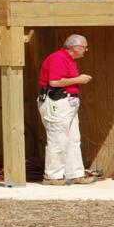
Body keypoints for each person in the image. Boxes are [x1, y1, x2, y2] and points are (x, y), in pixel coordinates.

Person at [38, 34, 94, 186]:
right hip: (57, 102)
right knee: (58, 139)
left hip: (68, 103)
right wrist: (79, 79)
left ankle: (74, 173)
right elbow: (54, 82)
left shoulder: (69, 59)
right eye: (84, 47)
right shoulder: (59, 58)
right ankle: (52, 176)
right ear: (75, 47)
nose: (86, 50)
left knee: (73, 139)